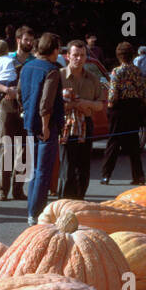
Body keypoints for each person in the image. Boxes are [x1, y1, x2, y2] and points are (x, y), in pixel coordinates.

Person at [21, 33, 65, 224]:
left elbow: (19, 94)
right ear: (54, 50)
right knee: (43, 171)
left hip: (29, 122)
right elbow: (46, 103)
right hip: (46, 124)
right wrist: (46, 125)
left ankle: (31, 210)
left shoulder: (26, 66)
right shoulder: (52, 70)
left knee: (33, 169)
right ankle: (36, 213)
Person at [0, 25, 34, 201]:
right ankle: (3, 189)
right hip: (7, 106)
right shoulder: (5, 59)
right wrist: (7, 89)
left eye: (31, 40)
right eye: (26, 40)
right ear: (18, 40)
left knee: (25, 150)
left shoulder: (35, 61)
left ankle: (18, 189)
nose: (29, 43)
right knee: (6, 147)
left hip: (27, 107)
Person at [99, 42, 146, 186]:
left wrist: (109, 106)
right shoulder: (139, 72)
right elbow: (145, 92)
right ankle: (139, 176)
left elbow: (113, 93)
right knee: (134, 144)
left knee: (113, 143)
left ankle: (106, 176)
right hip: (135, 108)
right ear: (132, 55)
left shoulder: (117, 71)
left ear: (119, 56)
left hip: (119, 109)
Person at [60, 39, 105, 198]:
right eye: (75, 55)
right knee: (68, 167)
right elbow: (51, 104)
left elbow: (100, 105)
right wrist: (72, 105)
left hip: (86, 124)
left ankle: (80, 200)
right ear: (67, 56)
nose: (79, 59)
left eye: (82, 55)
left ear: (86, 57)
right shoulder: (59, 76)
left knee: (83, 166)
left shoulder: (93, 79)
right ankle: (64, 202)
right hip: (66, 125)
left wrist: (86, 103)